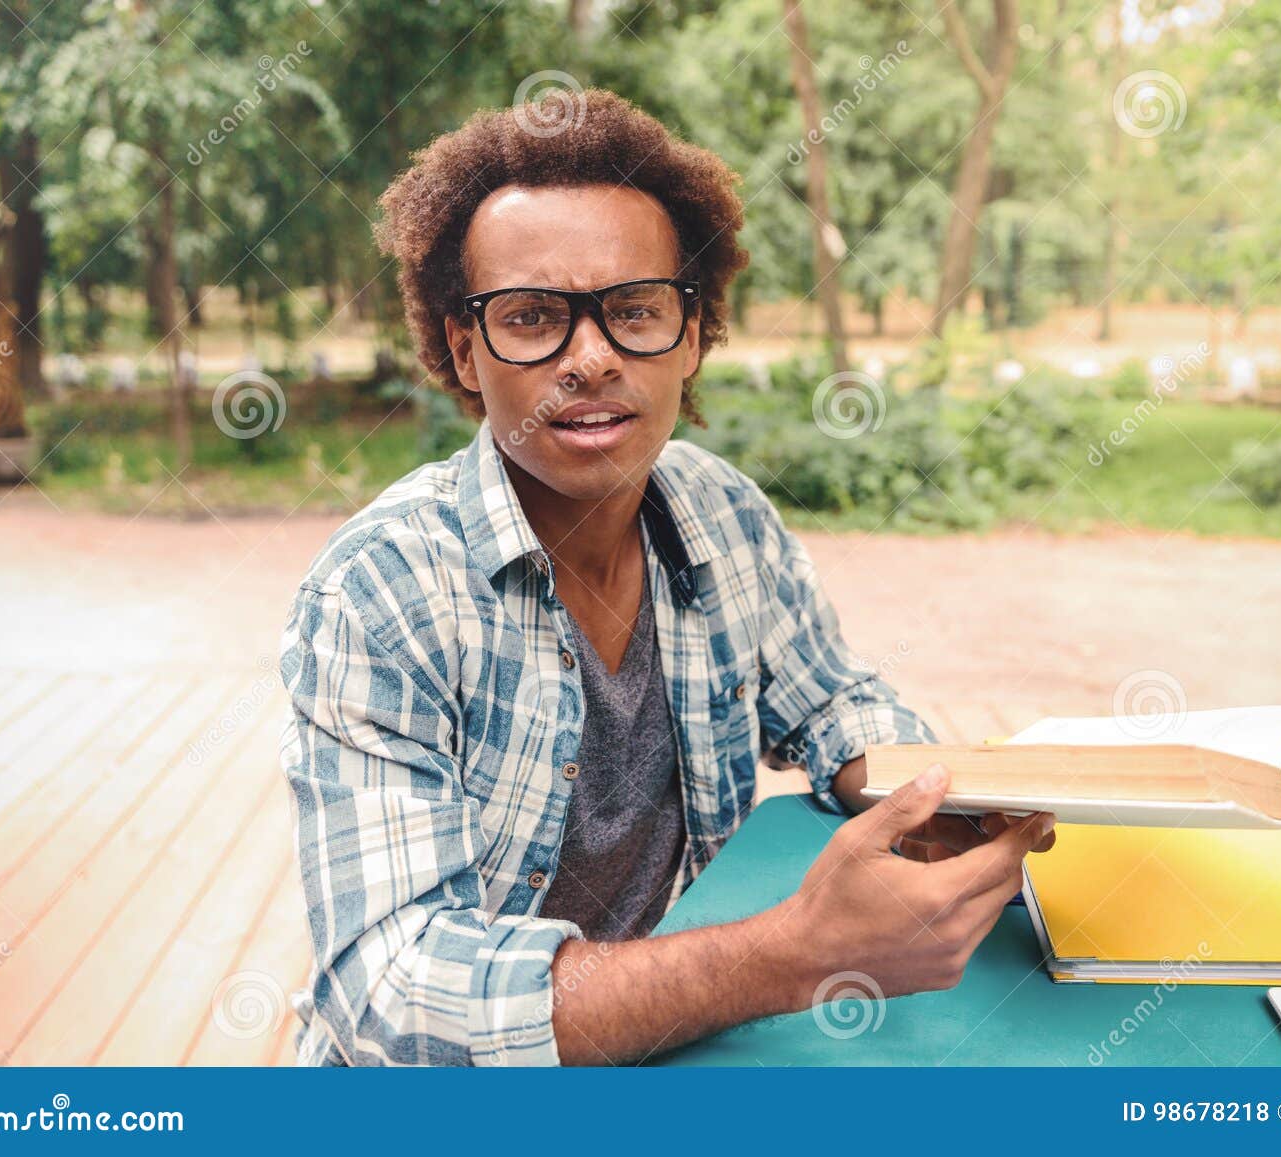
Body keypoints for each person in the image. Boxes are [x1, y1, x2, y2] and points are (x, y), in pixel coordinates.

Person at [279, 88, 1055, 1067]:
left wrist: (924, 795)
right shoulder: (380, 590)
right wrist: (793, 954)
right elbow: (393, 997)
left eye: (634, 311)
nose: (591, 358)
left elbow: (831, 699)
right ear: (464, 349)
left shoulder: (720, 513)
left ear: (692, 334)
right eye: (530, 318)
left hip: (663, 1048)